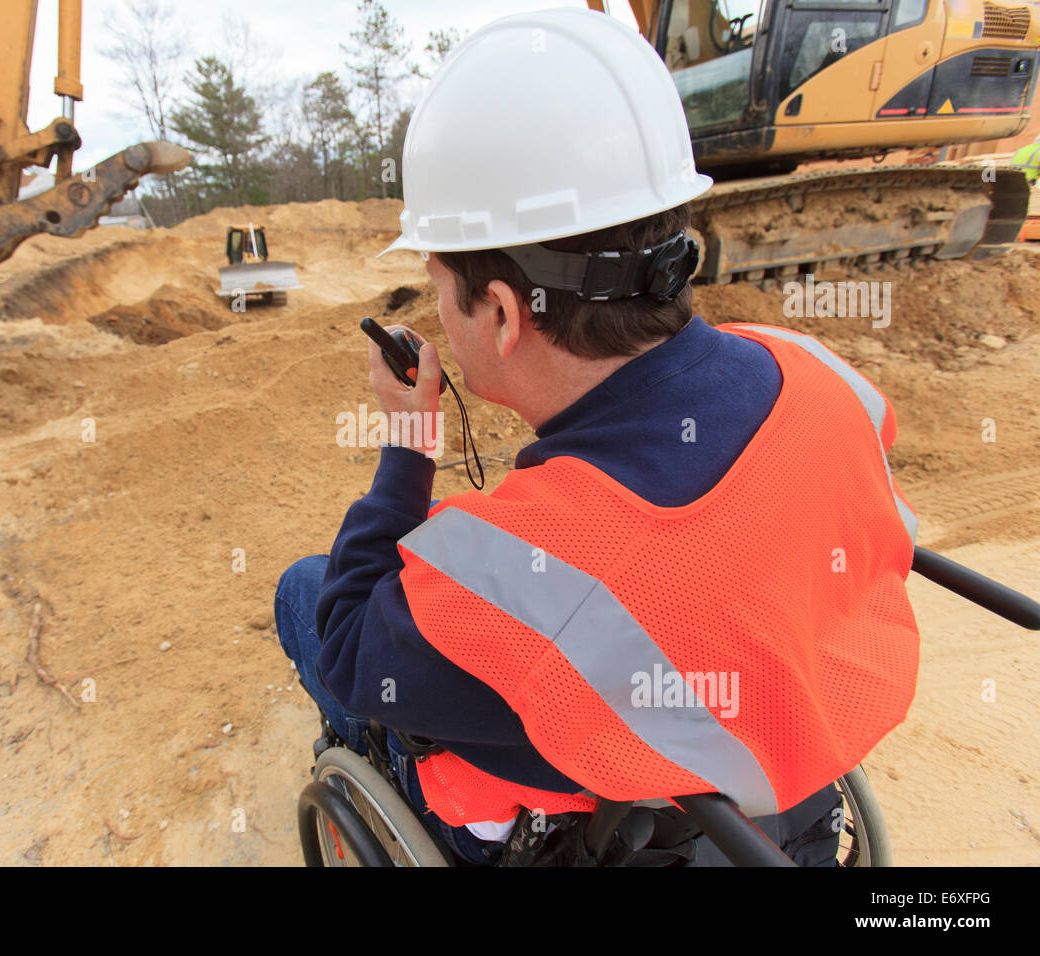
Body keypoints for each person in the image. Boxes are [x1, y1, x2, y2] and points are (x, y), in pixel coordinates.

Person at [276, 7, 920, 866]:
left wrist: (407, 452)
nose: (434, 311)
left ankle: (369, 770)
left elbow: (356, 643)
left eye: (438, 285)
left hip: (583, 819)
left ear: (503, 312)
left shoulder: (525, 570)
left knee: (305, 593)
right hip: (782, 807)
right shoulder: (824, 378)